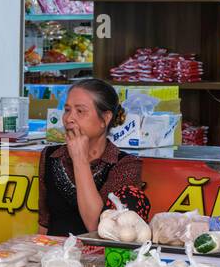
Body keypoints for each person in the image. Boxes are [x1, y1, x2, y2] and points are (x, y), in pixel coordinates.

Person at [37, 78, 146, 236]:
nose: (69, 118)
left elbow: (98, 227)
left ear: (105, 119)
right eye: (67, 110)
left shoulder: (125, 165)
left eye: (80, 111)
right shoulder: (50, 156)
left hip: (97, 258)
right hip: (55, 257)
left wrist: (80, 160)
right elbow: (44, 223)